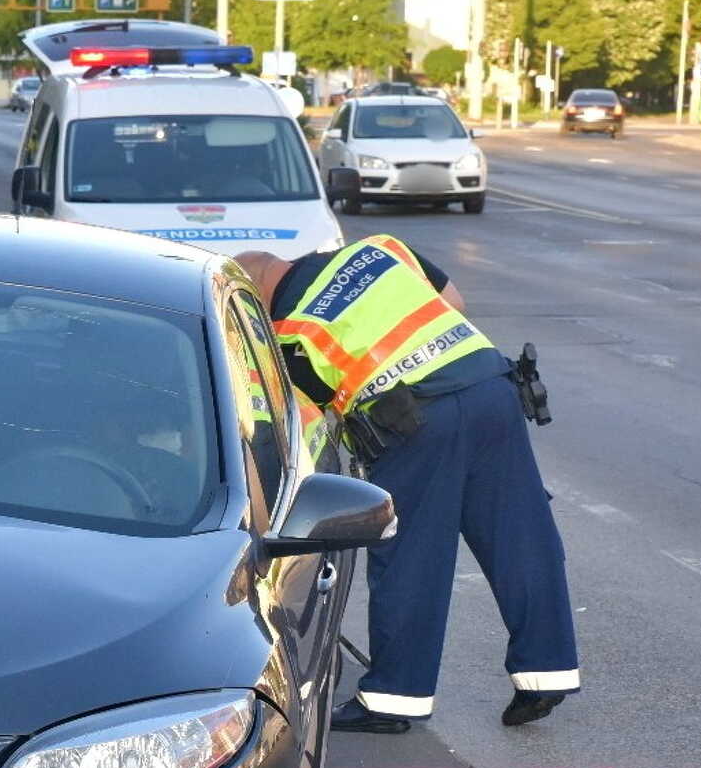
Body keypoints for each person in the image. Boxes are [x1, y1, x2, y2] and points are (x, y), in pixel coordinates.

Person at [234, 237, 579, 731]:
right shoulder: (376, 250)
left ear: (260, 299)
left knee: (411, 559)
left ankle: (395, 698)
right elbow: (453, 302)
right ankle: (546, 672)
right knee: (520, 537)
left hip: (414, 426)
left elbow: (311, 418)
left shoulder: (289, 332)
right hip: (491, 389)